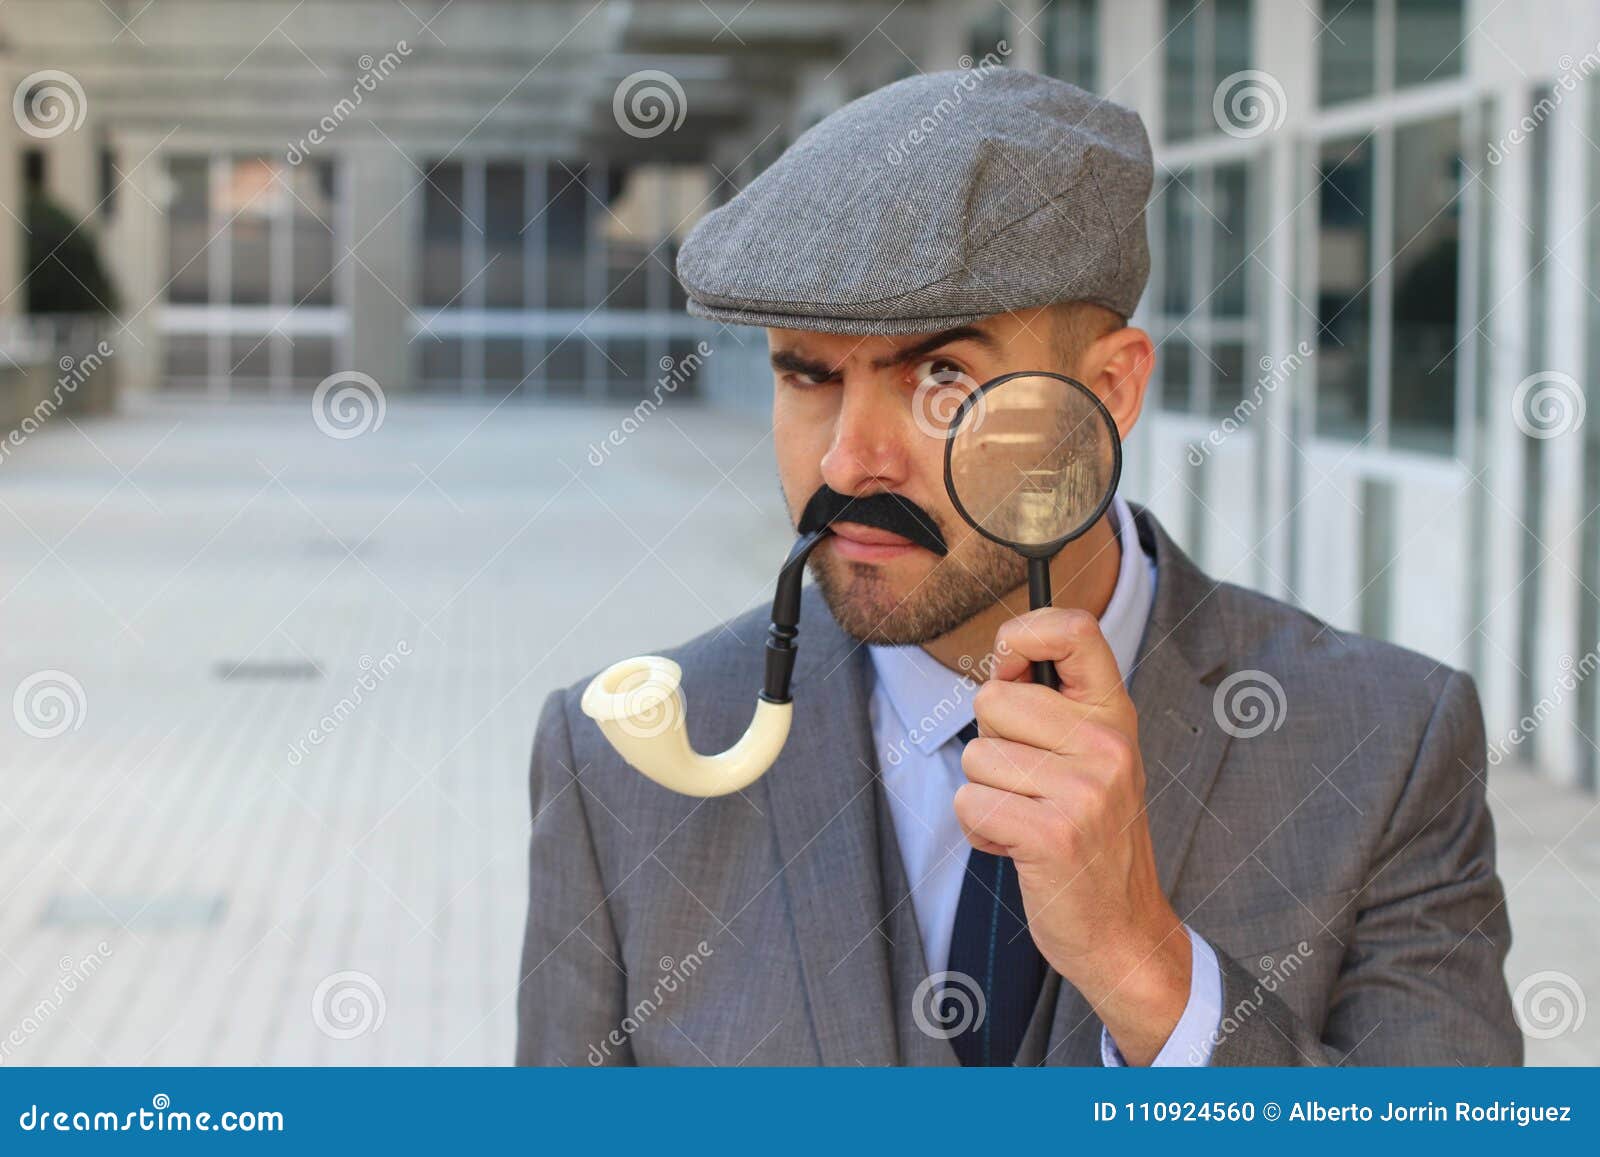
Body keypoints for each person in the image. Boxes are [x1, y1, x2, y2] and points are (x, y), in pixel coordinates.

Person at [515, 69, 1521, 1066]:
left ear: (1110, 390)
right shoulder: (620, 768)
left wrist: (1148, 970)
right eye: (807, 375)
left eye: (942, 380)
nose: (848, 460)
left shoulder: (1385, 749)